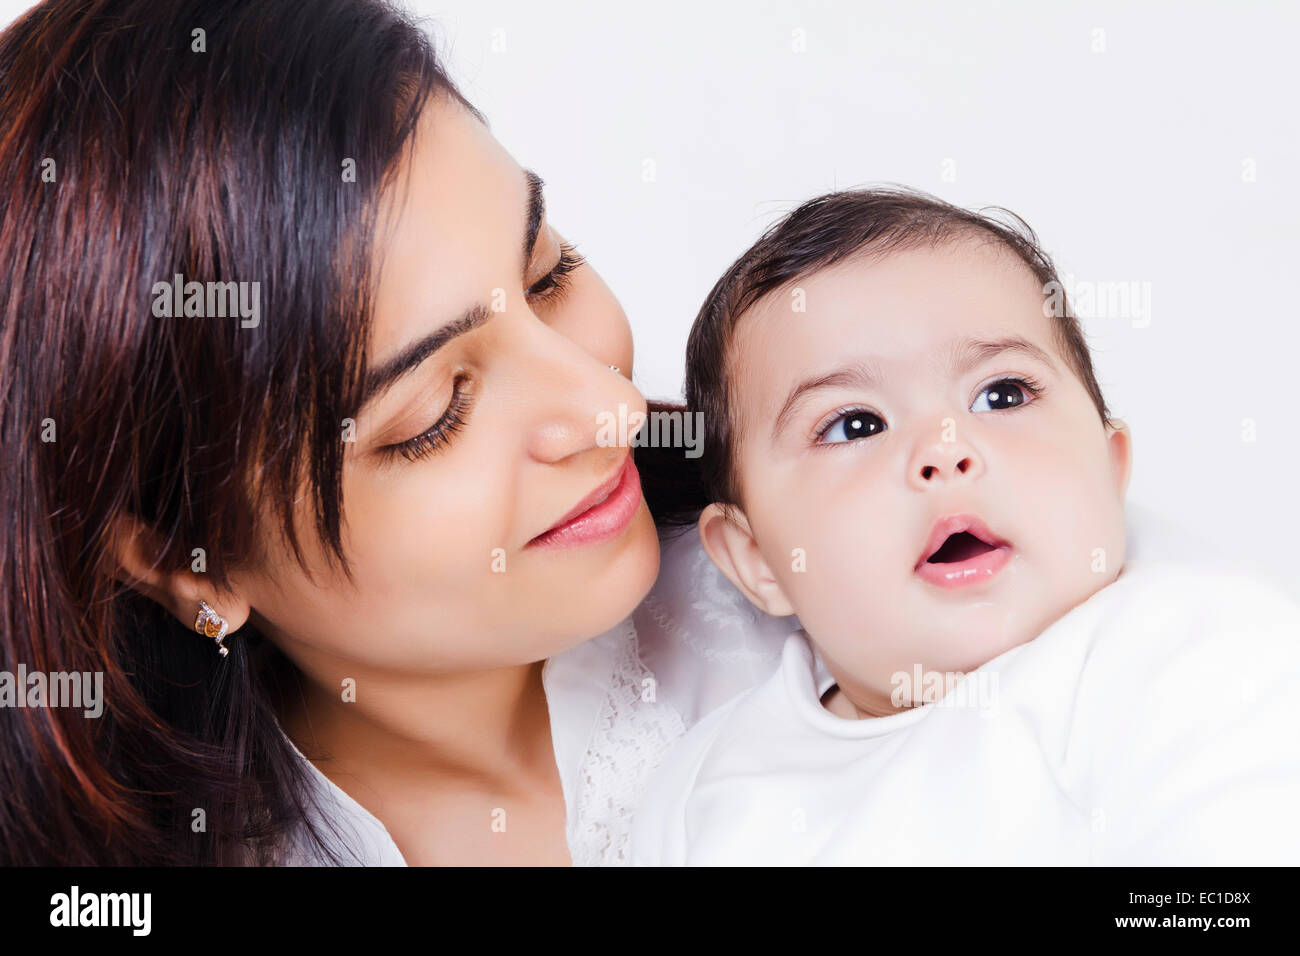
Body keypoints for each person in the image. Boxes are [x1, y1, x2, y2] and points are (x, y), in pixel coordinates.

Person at [0, 0, 790, 866]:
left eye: (546, 273)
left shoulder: (831, 610)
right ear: (188, 559)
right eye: (433, 417)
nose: (615, 409)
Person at [631, 187, 1300, 865]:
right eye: (855, 425)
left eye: (1002, 394)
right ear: (756, 561)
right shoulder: (701, 791)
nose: (945, 450)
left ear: (1110, 463)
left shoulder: (1191, 653)